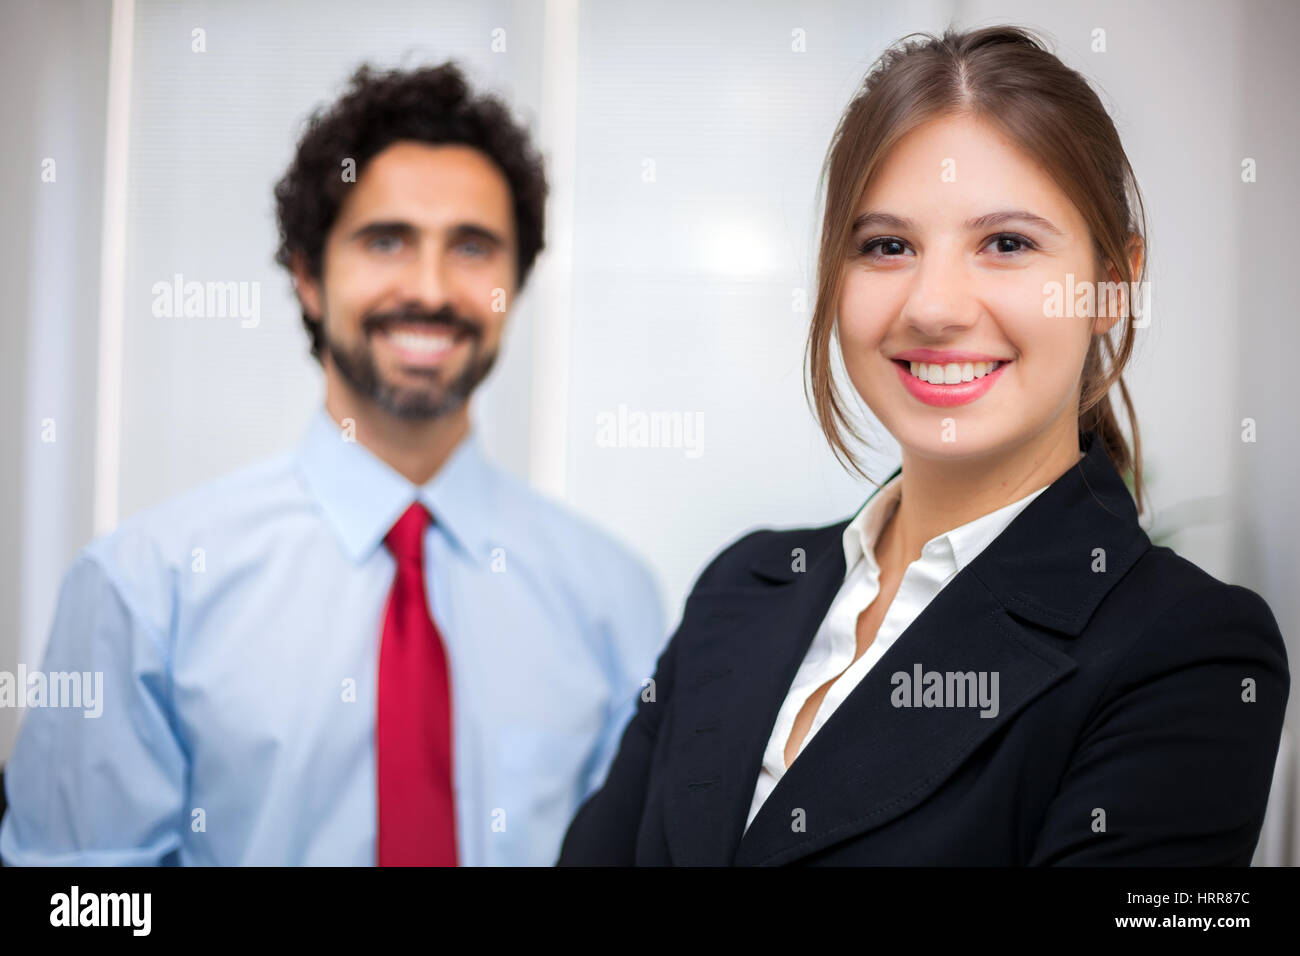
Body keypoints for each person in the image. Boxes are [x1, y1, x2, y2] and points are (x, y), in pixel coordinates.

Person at [558, 25, 1289, 866]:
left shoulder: (1187, 653)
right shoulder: (741, 588)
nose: (934, 306)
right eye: (887, 246)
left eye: (1006, 244)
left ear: (1112, 287)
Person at [0, 62, 664, 866]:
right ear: (309, 277)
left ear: (513, 287)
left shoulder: (613, 599)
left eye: (472, 247)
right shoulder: (142, 588)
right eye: (386, 240)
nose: (430, 287)